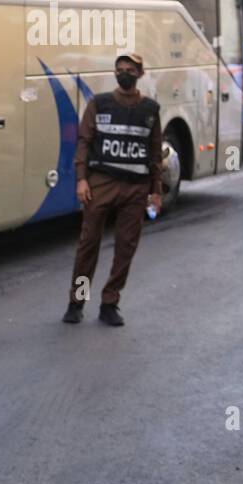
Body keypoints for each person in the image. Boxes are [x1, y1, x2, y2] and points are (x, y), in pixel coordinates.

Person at [62, 52, 164, 326]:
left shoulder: (151, 110)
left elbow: (155, 154)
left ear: (140, 74)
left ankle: (110, 303)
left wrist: (156, 192)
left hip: (135, 189)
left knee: (125, 248)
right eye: (120, 69)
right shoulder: (99, 104)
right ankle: (77, 302)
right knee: (88, 246)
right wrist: (82, 179)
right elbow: (84, 142)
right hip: (101, 185)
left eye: (130, 69)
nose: (124, 73)